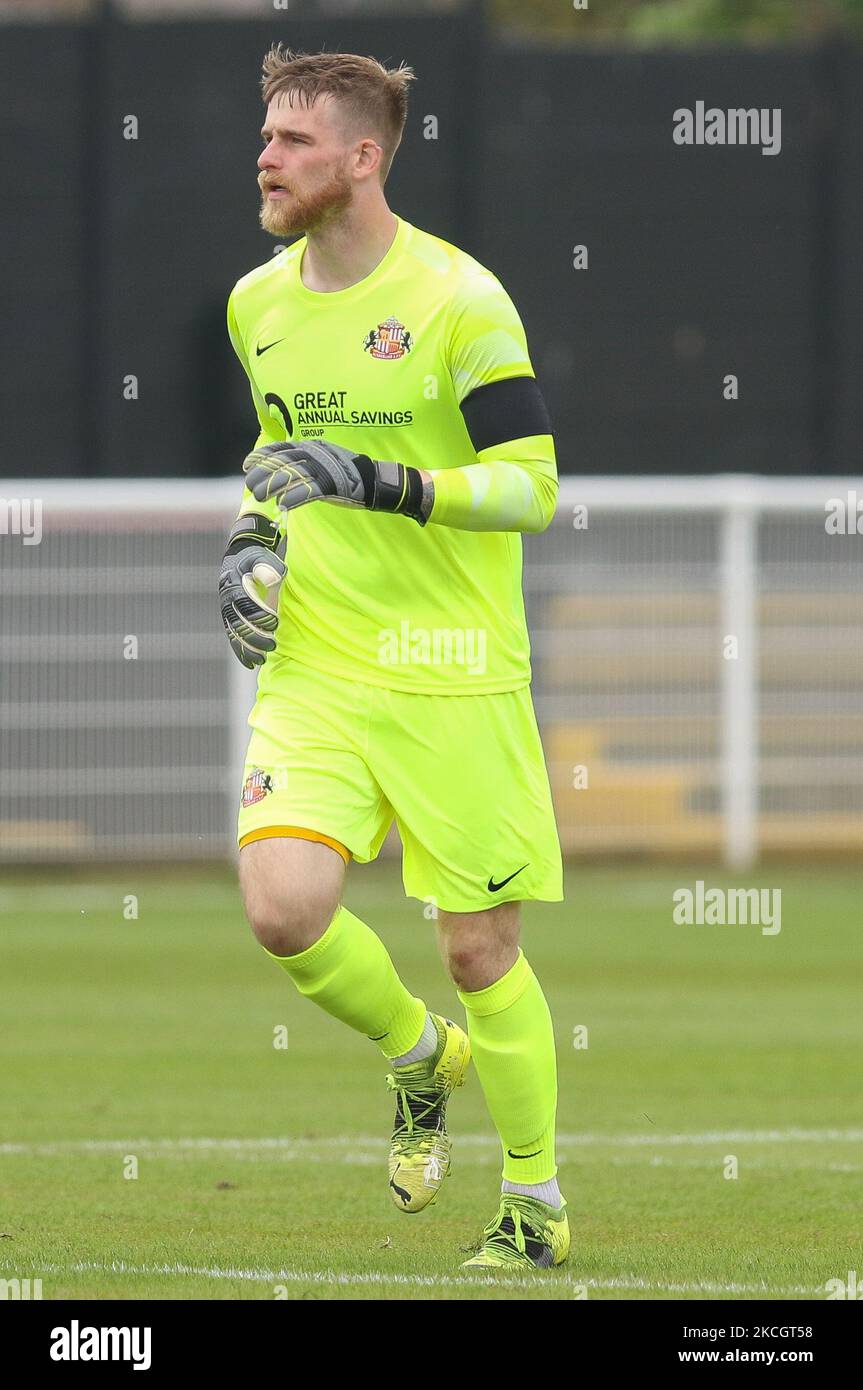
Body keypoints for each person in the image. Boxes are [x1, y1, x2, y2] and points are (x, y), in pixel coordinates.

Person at [219, 44, 567, 1270]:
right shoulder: (255, 304)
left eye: (294, 140)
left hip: (455, 669)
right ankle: (421, 1057)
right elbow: (277, 464)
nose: (265, 156)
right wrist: (248, 544)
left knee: (478, 948)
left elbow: (529, 488)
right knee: (281, 907)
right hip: (318, 660)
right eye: (264, 135)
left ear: (363, 158)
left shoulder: (461, 300)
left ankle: (534, 1203)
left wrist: (382, 481)